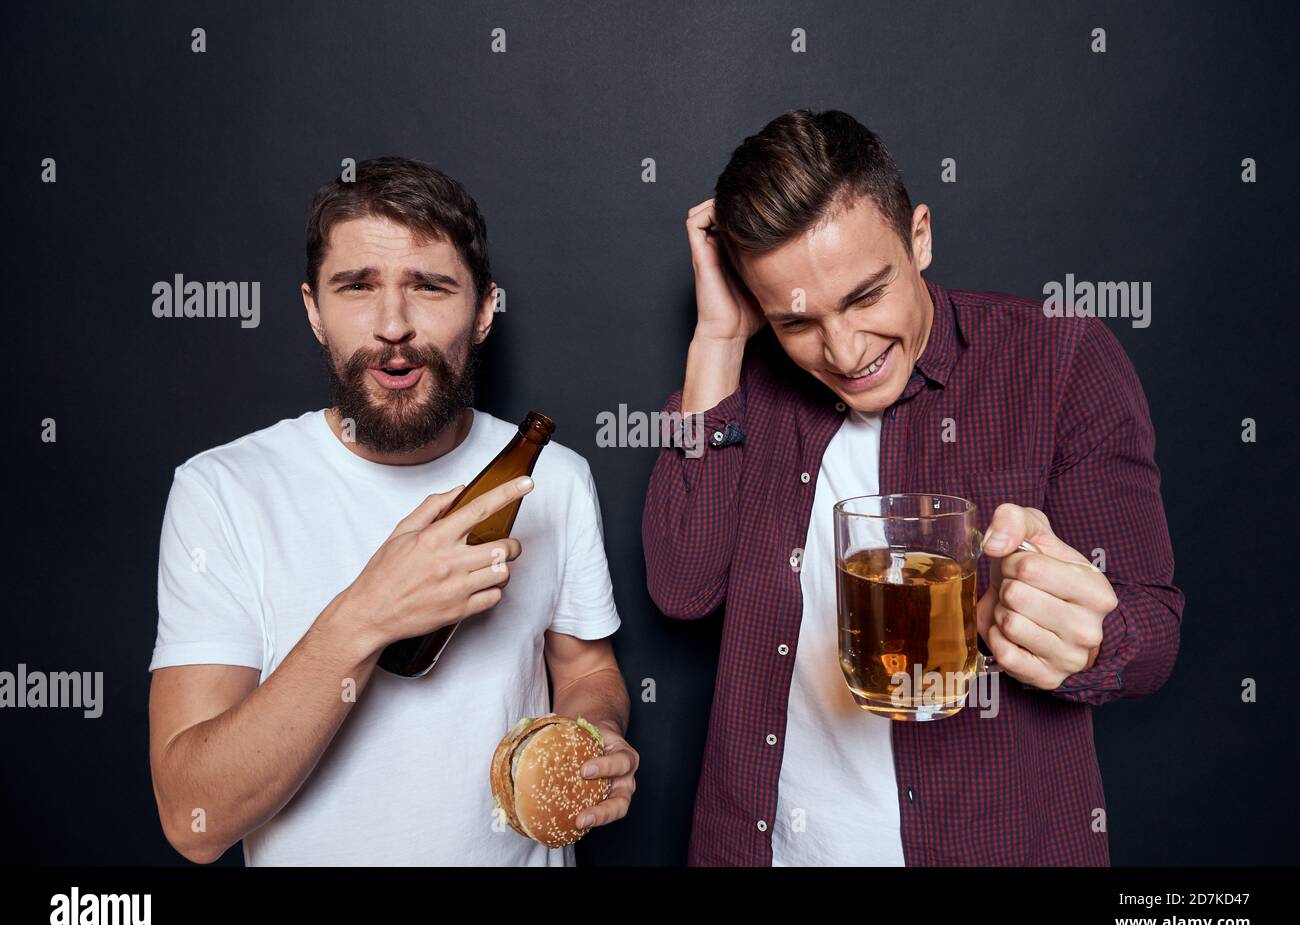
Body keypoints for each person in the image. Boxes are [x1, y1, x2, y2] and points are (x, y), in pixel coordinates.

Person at [642, 109, 1182, 866]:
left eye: (866, 296)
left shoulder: (1059, 360)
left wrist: (1082, 630)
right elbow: (682, 586)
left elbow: (1153, 634)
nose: (844, 349)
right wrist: (720, 340)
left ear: (919, 236)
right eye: (797, 322)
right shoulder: (749, 390)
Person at [148, 157, 637, 865]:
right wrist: (368, 613)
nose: (392, 325)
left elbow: (587, 670)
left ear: (484, 311)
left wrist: (595, 737)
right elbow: (195, 822)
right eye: (356, 287)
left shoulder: (553, 479)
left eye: (430, 287)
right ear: (315, 310)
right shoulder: (221, 490)